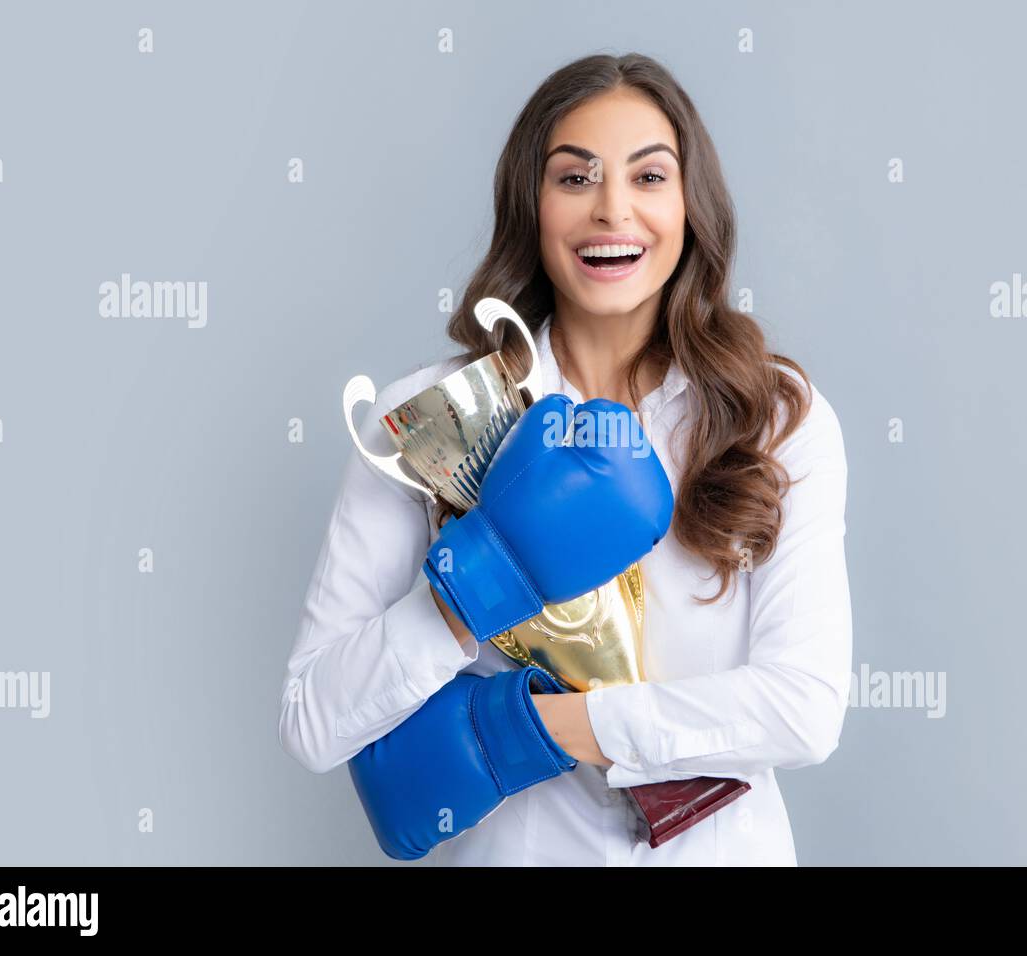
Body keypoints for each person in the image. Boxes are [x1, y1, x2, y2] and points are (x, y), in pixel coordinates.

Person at [279, 52, 852, 866]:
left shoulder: (775, 417)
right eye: (575, 179)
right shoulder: (426, 423)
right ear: (531, 204)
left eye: (649, 177)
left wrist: (538, 728)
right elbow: (312, 720)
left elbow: (805, 707)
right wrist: (476, 585)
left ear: (692, 206)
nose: (612, 210)